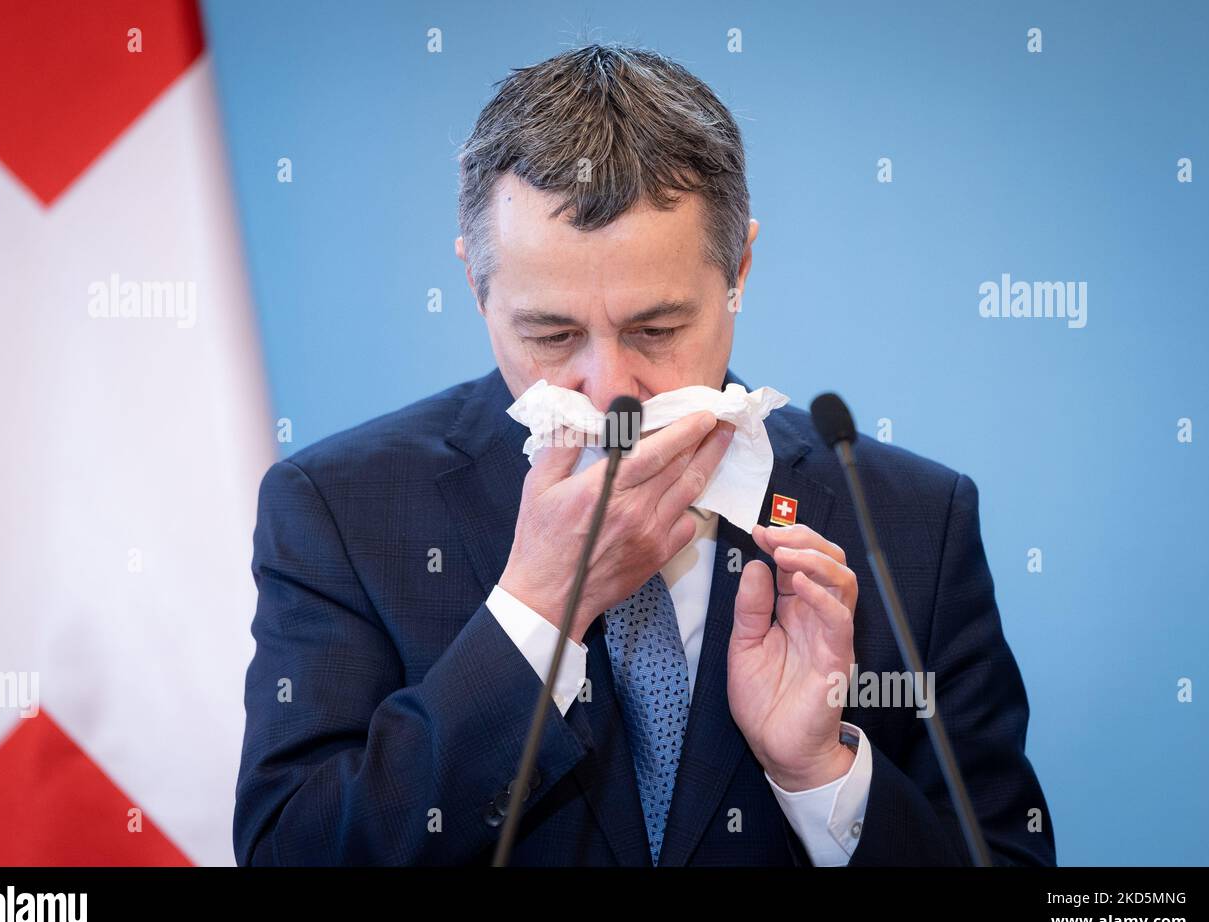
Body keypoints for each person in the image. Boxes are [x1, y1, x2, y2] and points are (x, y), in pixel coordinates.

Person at [233, 44, 1055, 866]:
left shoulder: (911, 521)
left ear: (740, 270)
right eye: (551, 334)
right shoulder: (337, 510)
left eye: (655, 330)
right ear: (477, 288)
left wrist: (820, 774)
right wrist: (536, 614)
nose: (610, 393)